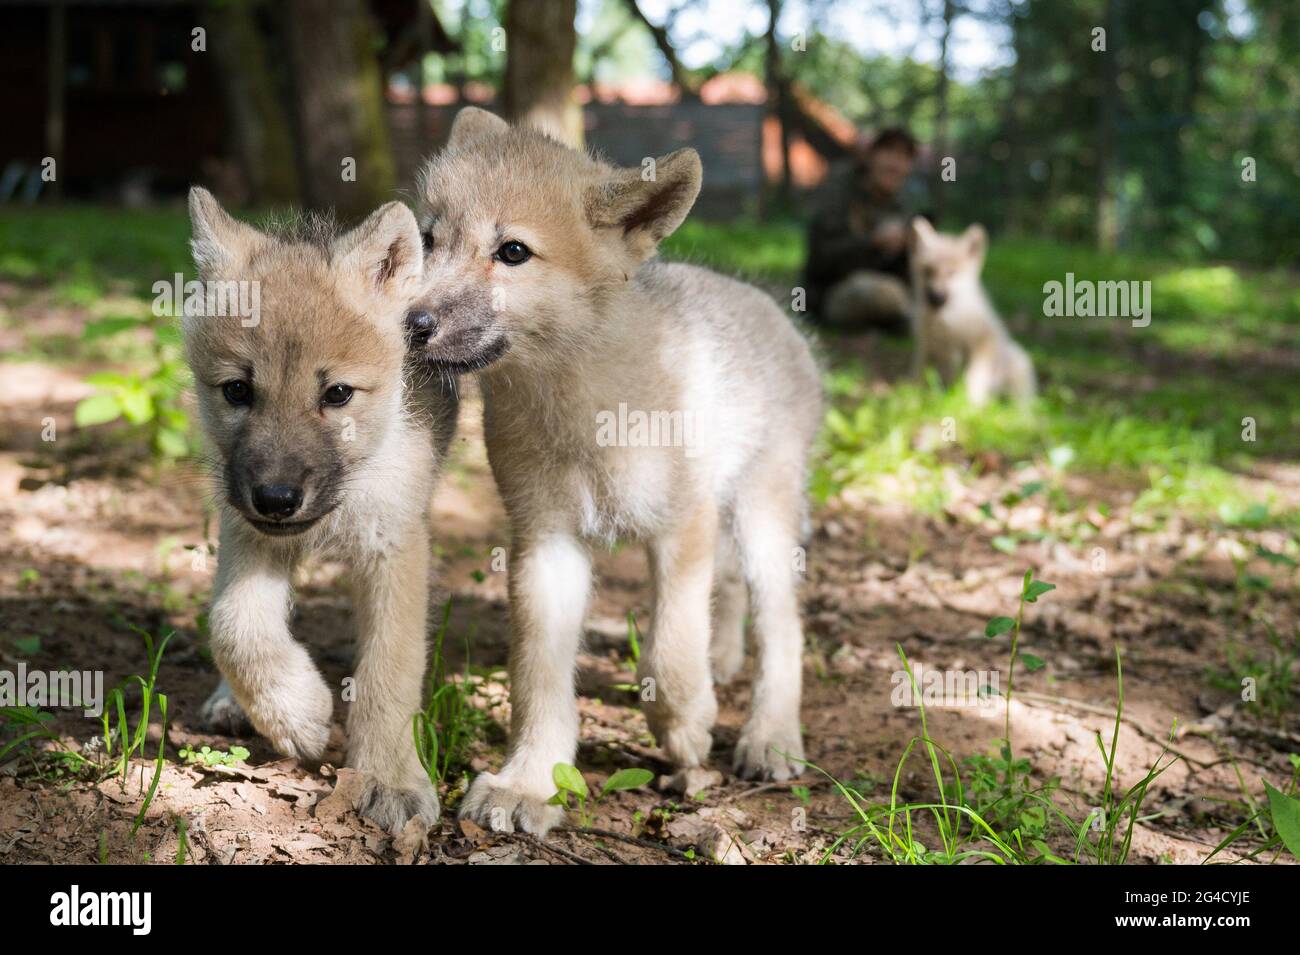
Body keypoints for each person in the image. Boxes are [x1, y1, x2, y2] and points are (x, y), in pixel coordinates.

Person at [803, 127, 919, 333]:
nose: (895, 164)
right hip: (832, 293)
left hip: (886, 287)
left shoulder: (903, 204)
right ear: (871, 157)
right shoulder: (839, 190)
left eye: (904, 157)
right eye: (889, 153)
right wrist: (873, 242)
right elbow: (821, 259)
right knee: (878, 293)